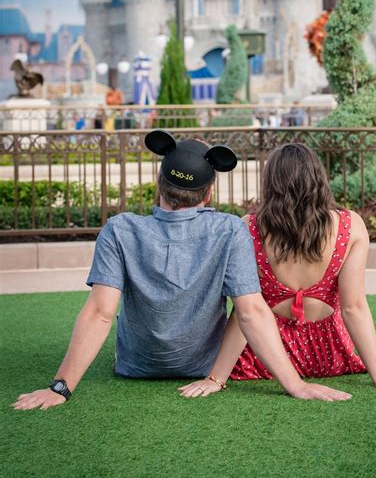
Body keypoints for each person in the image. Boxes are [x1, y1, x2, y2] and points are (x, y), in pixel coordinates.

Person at [12, 133, 352, 411]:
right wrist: (296, 385)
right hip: (203, 368)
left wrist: (60, 388)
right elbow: (250, 312)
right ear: (208, 193)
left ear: (160, 185)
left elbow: (101, 314)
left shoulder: (119, 230)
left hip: (134, 367)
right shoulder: (230, 230)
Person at [180, 143, 376, 399]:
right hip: (330, 357)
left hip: (265, 360)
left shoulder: (249, 228)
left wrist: (216, 377)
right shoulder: (350, 226)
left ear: (270, 183)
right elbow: (353, 307)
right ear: (318, 179)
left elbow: (247, 312)